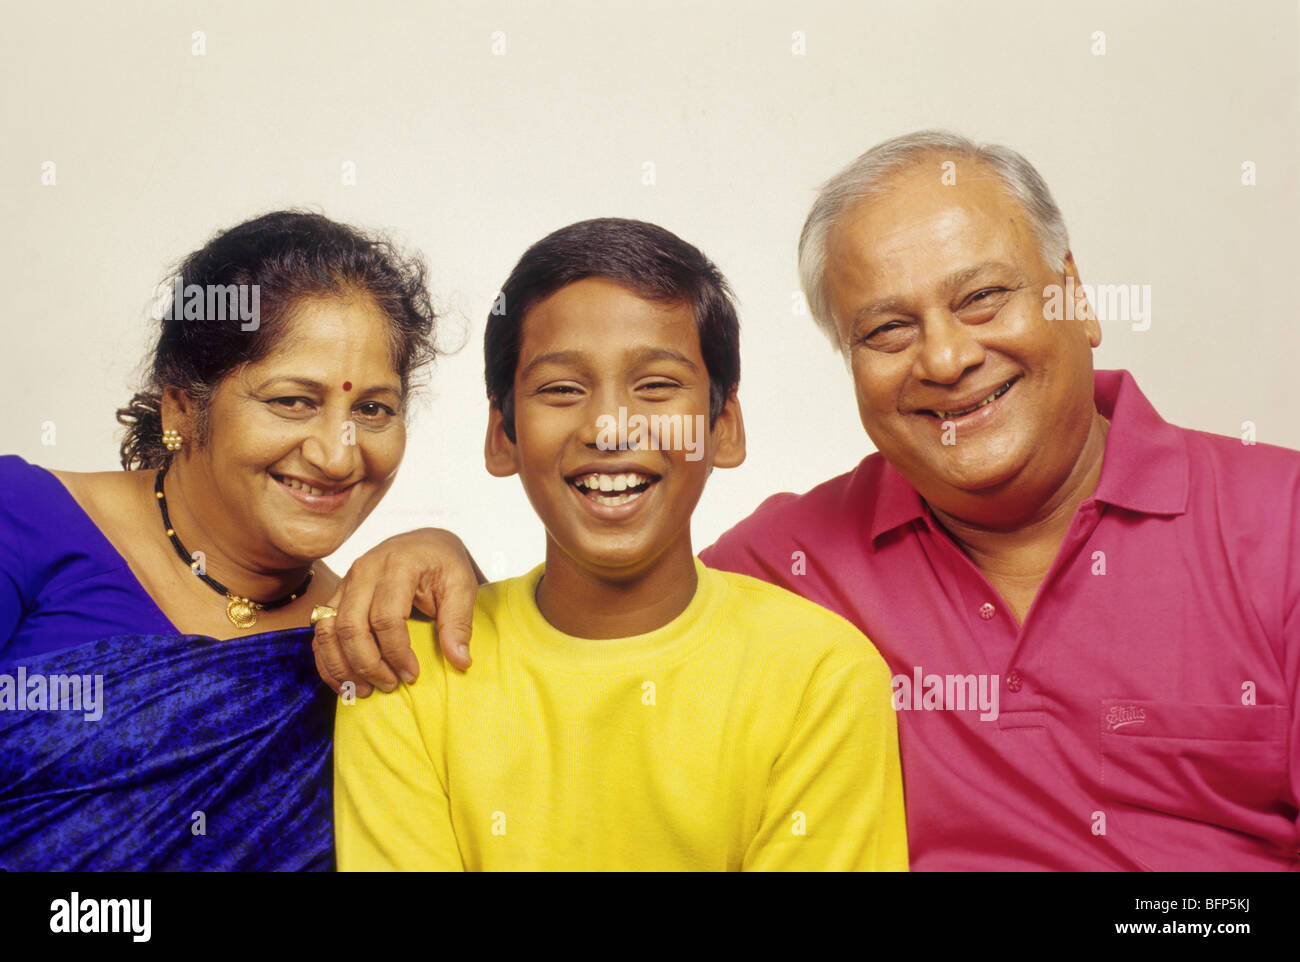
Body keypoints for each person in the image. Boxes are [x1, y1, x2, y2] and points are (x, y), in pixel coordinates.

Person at [318, 131, 1300, 871]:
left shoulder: (1280, 522)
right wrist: (431, 551)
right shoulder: (794, 565)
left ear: (1075, 297)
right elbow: (601, 614)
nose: (948, 357)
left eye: (982, 298)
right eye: (886, 328)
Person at [332, 218, 907, 871]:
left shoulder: (820, 679)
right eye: (562, 390)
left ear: (723, 427)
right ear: (503, 436)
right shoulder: (406, 675)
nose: (610, 426)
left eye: (657, 386)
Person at [0, 210, 438, 870]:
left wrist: (452, 568)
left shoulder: (373, 635)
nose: (338, 456)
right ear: (182, 406)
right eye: (293, 400)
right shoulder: (23, 517)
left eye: (372, 409)